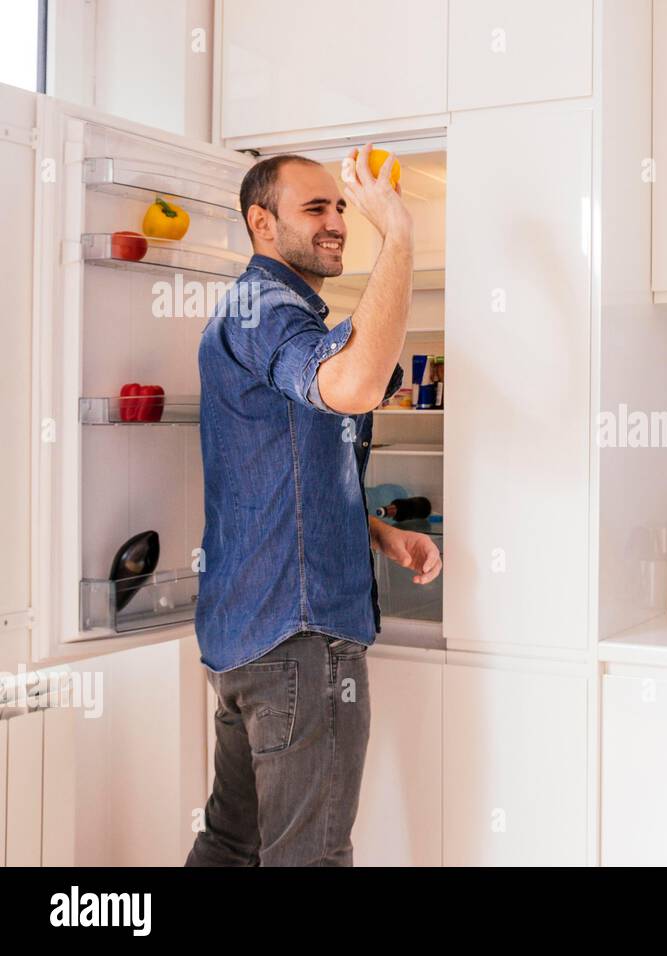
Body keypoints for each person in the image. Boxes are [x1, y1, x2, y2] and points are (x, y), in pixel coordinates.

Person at [186, 146, 441, 866]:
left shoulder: (270, 311)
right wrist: (400, 237)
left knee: (231, 844)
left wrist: (375, 531)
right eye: (316, 208)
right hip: (299, 642)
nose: (337, 222)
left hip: (247, 634)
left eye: (339, 207)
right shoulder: (267, 307)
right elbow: (356, 385)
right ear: (261, 223)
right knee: (311, 857)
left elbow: (274, 473)